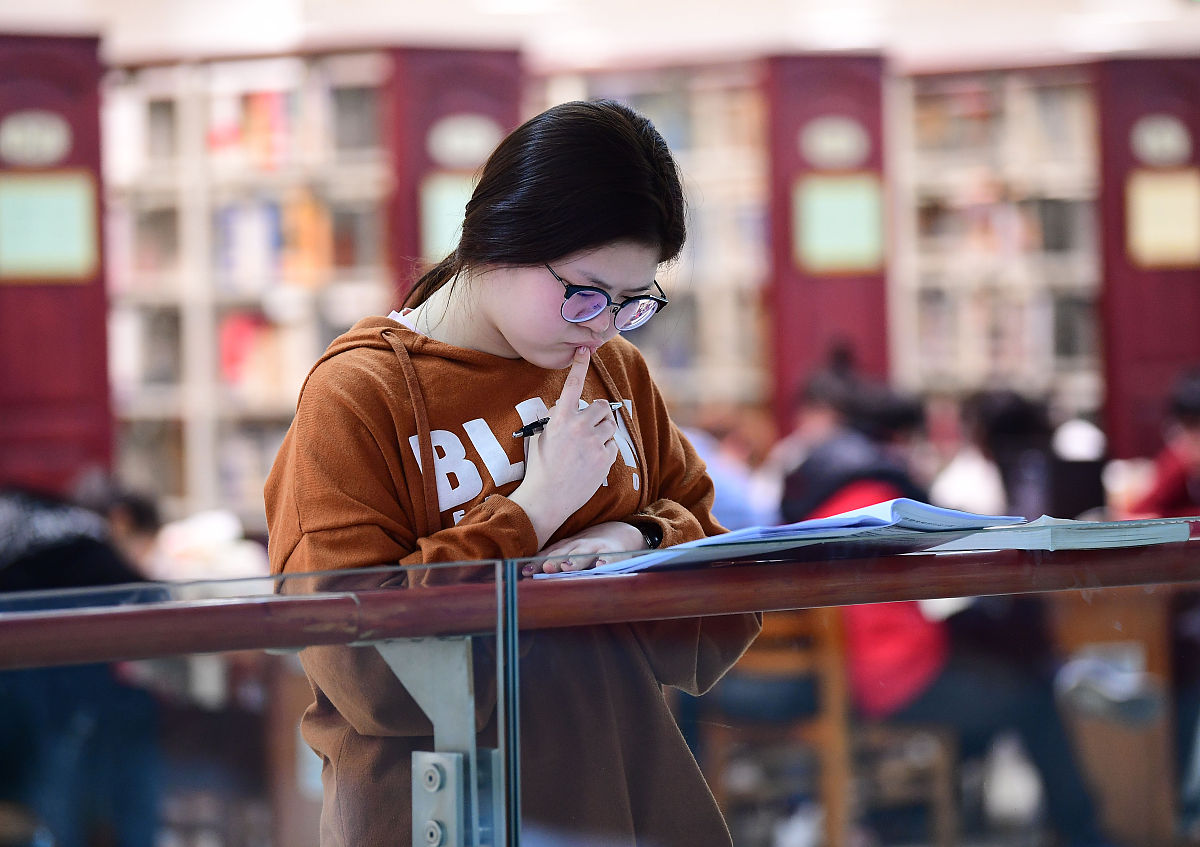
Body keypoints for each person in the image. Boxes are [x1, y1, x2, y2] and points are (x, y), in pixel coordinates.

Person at [264, 99, 761, 847]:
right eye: (584, 292)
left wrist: (636, 534)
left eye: (633, 302)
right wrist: (529, 515)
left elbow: (717, 595)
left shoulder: (613, 369)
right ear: (499, 237)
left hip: (625, 792)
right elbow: (359, 666)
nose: (600, 323)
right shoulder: (359, 395)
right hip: (445, 812)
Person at [776, 372, 1115, 847]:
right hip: (891, 677)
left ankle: (919, 816)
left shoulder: (825, 487)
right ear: (897, 438)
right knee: (1033, 696)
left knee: (996, 667)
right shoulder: (879, 494)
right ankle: (1083, 835)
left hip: (849, 668)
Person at [0, 484, 165, 847]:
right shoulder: (83, 535)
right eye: (142, 548)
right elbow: (149, 596)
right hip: (31, 685)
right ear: (122, 522)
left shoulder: (45, 519)